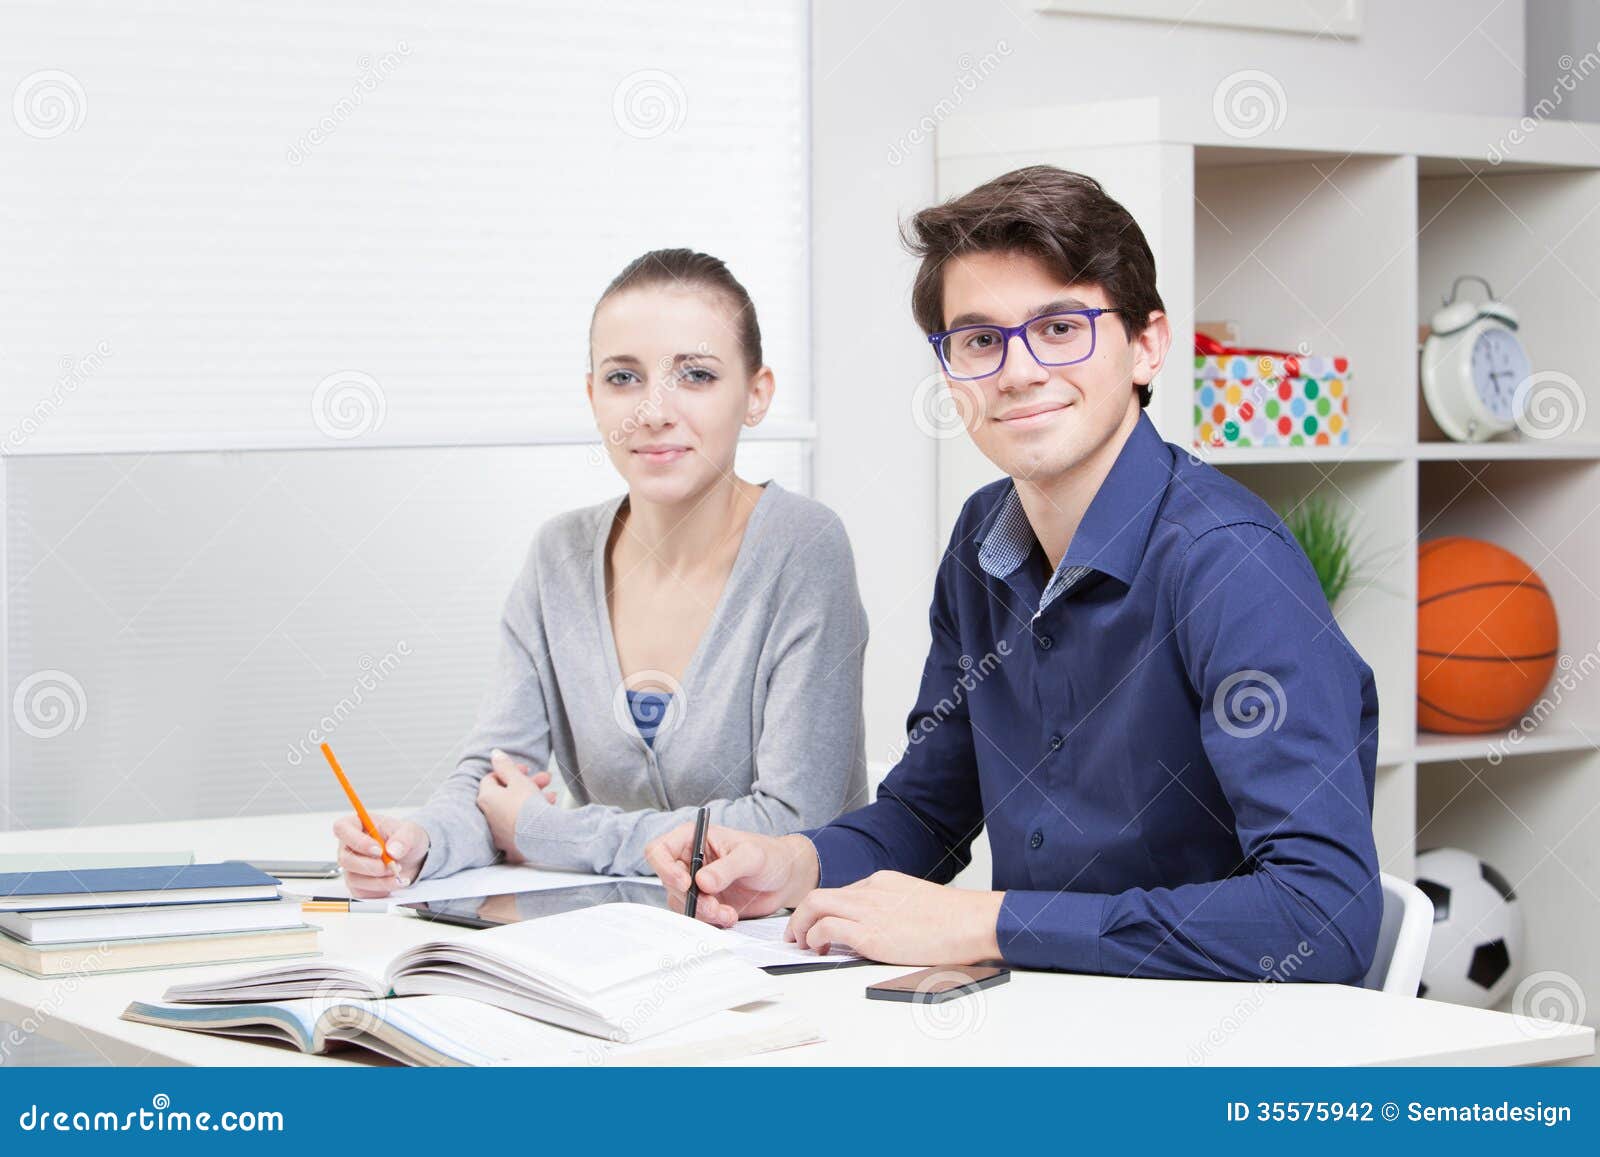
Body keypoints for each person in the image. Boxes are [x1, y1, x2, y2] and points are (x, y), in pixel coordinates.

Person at [647, 167, 1383, 984]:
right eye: (979, 340)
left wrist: (987, 920)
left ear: (1148, 345)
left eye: (1061, 328)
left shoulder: (1231, 564)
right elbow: (928, 812)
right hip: (1042, 1023)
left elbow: (1323, 917)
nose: (1018, 371)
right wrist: (792, 863)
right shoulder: (980, 542)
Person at [335, 249, 868, 896]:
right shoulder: (558, 554)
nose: (653, 411)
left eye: (695, 375)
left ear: (756, 395)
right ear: (592, 396)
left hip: (781, 950)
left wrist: (548, 831)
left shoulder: (805, 547)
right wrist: (422, 841)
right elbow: (496, 780)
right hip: (607, 947)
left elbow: (788, 825)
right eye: (624, 378)